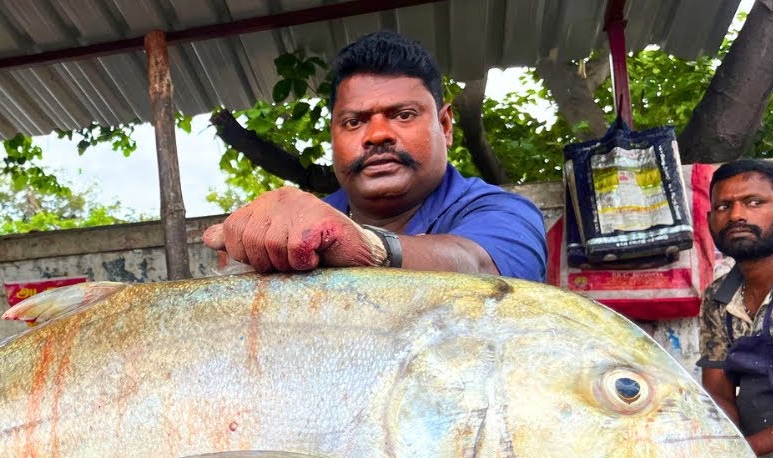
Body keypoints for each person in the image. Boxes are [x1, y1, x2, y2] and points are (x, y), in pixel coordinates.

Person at [202, 31, 546, 281]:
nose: (377, 134)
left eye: (403, 115)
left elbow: (481, 269)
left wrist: (369, 247)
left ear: (444, 125)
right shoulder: (308, 225)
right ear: (333, 136)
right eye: (354, 121)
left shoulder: (505, 213)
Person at [698, 159, 773, 458]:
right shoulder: (718, 297)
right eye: (724, 206)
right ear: (709, 223)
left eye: (753, 202)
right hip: (755, 447)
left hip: (768, 453)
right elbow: (719, 392)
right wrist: (720, 450)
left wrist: (743, 454)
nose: (737, 214)